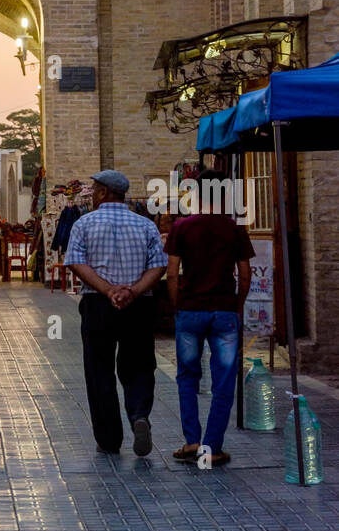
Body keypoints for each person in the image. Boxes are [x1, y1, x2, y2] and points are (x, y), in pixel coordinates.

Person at [65, 169, 167, 457]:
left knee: (99, 369)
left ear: (102, 193)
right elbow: (158, 266)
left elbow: (75, 262)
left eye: (94, 189)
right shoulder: (145, 225)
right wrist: (132, 291)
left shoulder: (84, 224)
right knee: (139, 364)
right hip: (139, 305)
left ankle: (109, 439)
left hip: (98, 305)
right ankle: (139, 416)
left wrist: (109, 290)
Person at [166, 168, 254, 467]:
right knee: (224, 380)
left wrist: (177, 305)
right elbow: (245, 274)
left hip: (190, 309)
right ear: (225, 194)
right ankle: (212, 448)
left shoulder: (181, 227)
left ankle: (192, 441)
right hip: (224, 311)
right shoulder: (235, 229)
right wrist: (237, 304)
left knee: (187, 376)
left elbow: (172, 274)